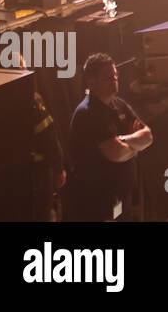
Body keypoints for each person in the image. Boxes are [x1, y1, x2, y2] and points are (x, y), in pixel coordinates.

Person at [65, 53, 152, 220]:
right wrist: (134, 147)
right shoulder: (87, 113)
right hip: (98, 201)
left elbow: (148, 136)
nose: (114, 81)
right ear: (91, 82)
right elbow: (116, 153)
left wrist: (123, 140)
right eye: (108, 78)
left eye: (115, 76)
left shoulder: (119, 104)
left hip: (120, 196)